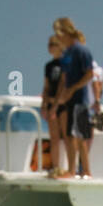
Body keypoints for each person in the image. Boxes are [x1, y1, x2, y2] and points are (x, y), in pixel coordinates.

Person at [51, 17, 95, 178]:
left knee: (81, 136)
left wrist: (73, 89)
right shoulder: (66, 54)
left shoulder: (81, 50)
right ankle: (71, 170)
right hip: (68, 101)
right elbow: (63, 79)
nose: (57, 36)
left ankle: (86, 170)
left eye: (59, 32)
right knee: (69, 136)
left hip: (81, 99)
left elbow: (90, 74)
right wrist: (56, 103)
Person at [40, 34, 65, 172]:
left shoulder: (65, 63)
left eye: (52, 44)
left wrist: (56, 105)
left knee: (67, 137)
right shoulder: (49, 66)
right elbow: (46, 86)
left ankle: (68, 167)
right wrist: (44, 105)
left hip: (62, 104)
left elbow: (63, 85)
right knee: (54, 137)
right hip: (50, 103)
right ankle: (56, 166)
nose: (49, 47)